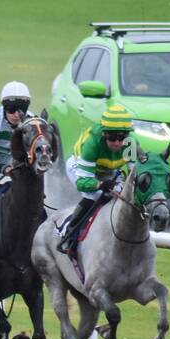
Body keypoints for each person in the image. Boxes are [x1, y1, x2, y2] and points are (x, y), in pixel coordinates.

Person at [57, 104, 134, 255]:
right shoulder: (92, 143)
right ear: (104, 134)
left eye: (121, 137)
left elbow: (134, 175)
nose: (117, 143)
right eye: (112, 137)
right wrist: (100, 184)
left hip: (108, 171)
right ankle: (69, 233)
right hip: (81, 167)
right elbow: (83, 183)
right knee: (94, 195)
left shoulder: (131, 143)